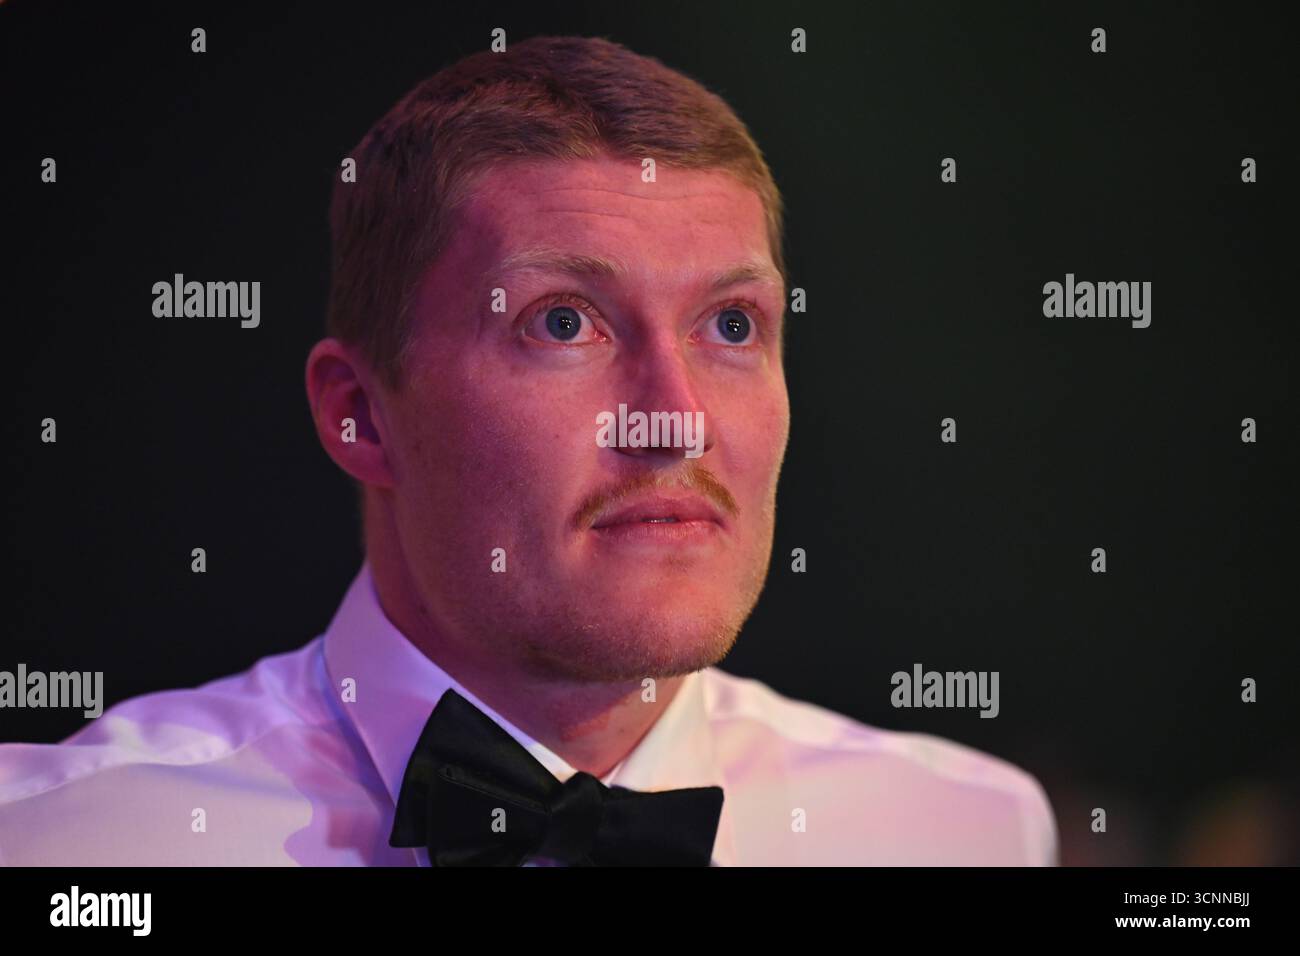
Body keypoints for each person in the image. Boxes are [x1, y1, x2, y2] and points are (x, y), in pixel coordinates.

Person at [0, 35, 1056, 866]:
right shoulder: (65, 840)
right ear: (360, 412)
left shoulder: (964, 829)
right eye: (563, 323)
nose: (674, 418)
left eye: (730, 324)